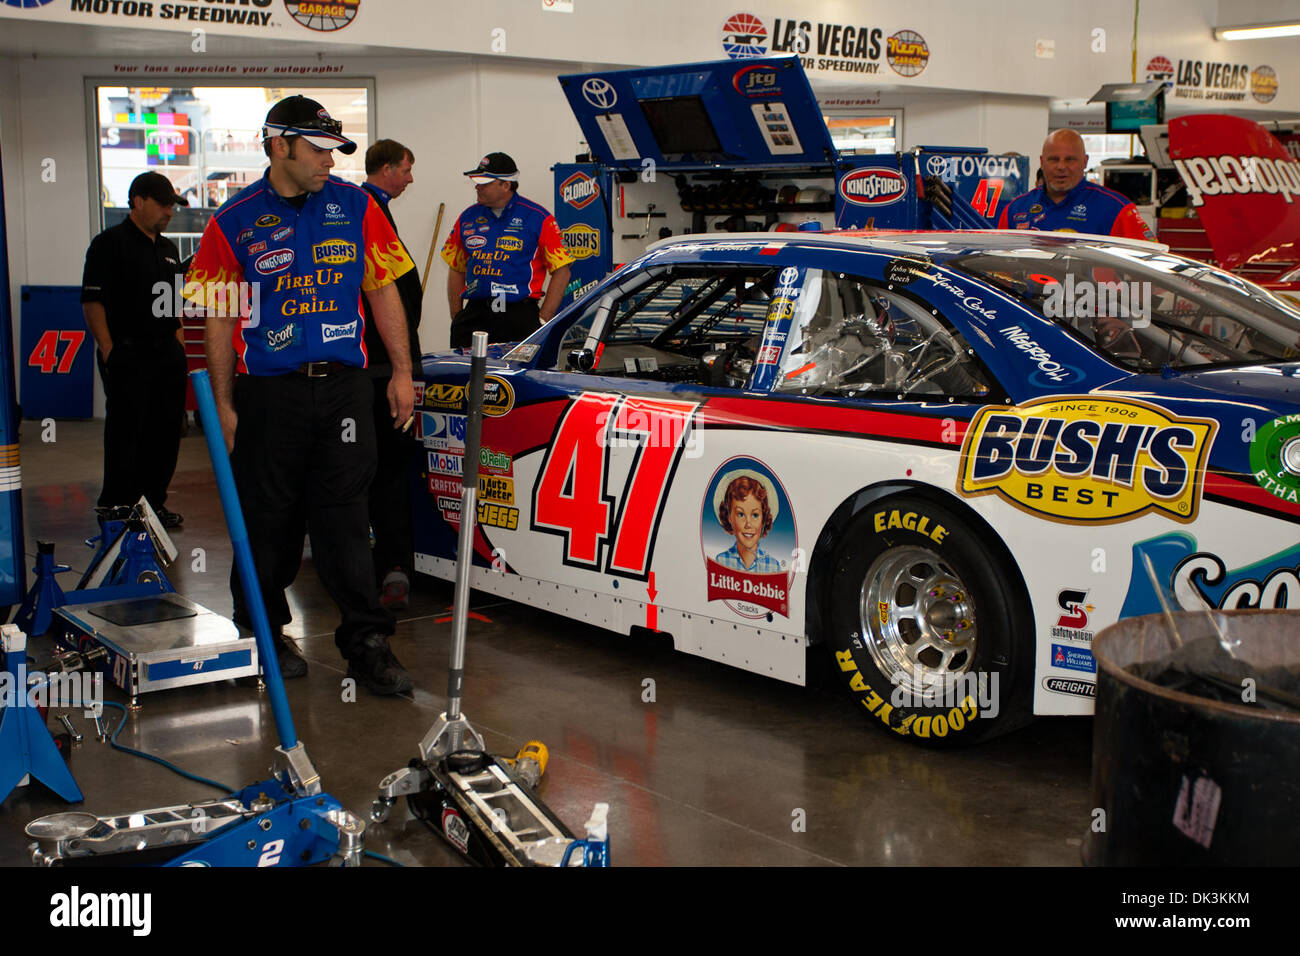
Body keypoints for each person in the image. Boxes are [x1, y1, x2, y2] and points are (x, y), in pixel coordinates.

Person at [185, 94, 417, 694]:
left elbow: (382, 289)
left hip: (344, 389)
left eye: (333, 151)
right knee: (269, 519)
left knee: (347, 519)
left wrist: (401, 372)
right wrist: (223, 404)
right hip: (269, 393)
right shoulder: (232, 221)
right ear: (278, 145)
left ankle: (367, 643)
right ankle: (262, 633)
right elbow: (218, 317)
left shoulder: (358, 206)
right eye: (317, 150)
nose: (328, 162)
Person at [80, 170, 189, 528]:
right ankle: (117, 506)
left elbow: (174, 306)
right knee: (127, 433)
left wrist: (180, 349)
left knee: (166, 433)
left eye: (172, 206)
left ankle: (152, 505)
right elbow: (93, 301)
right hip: (128, 353)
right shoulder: (108, 244)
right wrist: (109, 349)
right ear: (138, 202)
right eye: (163, 205)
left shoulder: (169, 250)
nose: (169, 212)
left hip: (166, 354)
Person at [361, 139, 423, 610]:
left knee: (381, 469)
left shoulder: (376, 210)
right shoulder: (367, 211)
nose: (410, 178)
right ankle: (389, 565)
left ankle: (386, 565)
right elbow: (387, 294)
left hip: (380, 365)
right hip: (377, 369)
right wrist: (400, 368)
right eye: (405, 169)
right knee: (387, 469)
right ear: (385, 169)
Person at [442, 152, 573, 347]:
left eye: (484, 183)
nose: (477, 187)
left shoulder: (538, 217)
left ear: (505, 185)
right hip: (475, 313)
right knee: (465, 367)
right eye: (476, 182)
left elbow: (562, 271)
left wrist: (542, 320)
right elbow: (456, 267)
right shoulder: (467, 217)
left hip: (519, 316)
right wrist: (457, 315)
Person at [997, 129, 1155, 241]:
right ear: (1042, 162)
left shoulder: (1117, 210)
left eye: (1070, 159)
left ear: (1085, 162)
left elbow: (1151, 261)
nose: (1061, 166)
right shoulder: (1015, 209)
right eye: (1053, 159)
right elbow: (999, 265)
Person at [714, 473, 783, 573]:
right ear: (729, 518)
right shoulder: (721, 561)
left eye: (755, 515)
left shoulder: (773, 567)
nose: (748, 524)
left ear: (764, 519)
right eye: (741, 514)